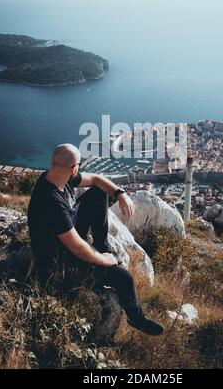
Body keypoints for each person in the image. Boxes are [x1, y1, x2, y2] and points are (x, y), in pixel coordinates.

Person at [28, 143, 164, 336]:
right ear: (74, 167)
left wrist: (120, 193)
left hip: (67, 233)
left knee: (99, 192)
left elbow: (97, 179)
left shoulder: (56, 176)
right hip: (60, 261)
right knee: (124, 278)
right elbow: (77, 247)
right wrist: (104, 259)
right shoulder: (51, 201)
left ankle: (102, 244)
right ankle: (136, 318)